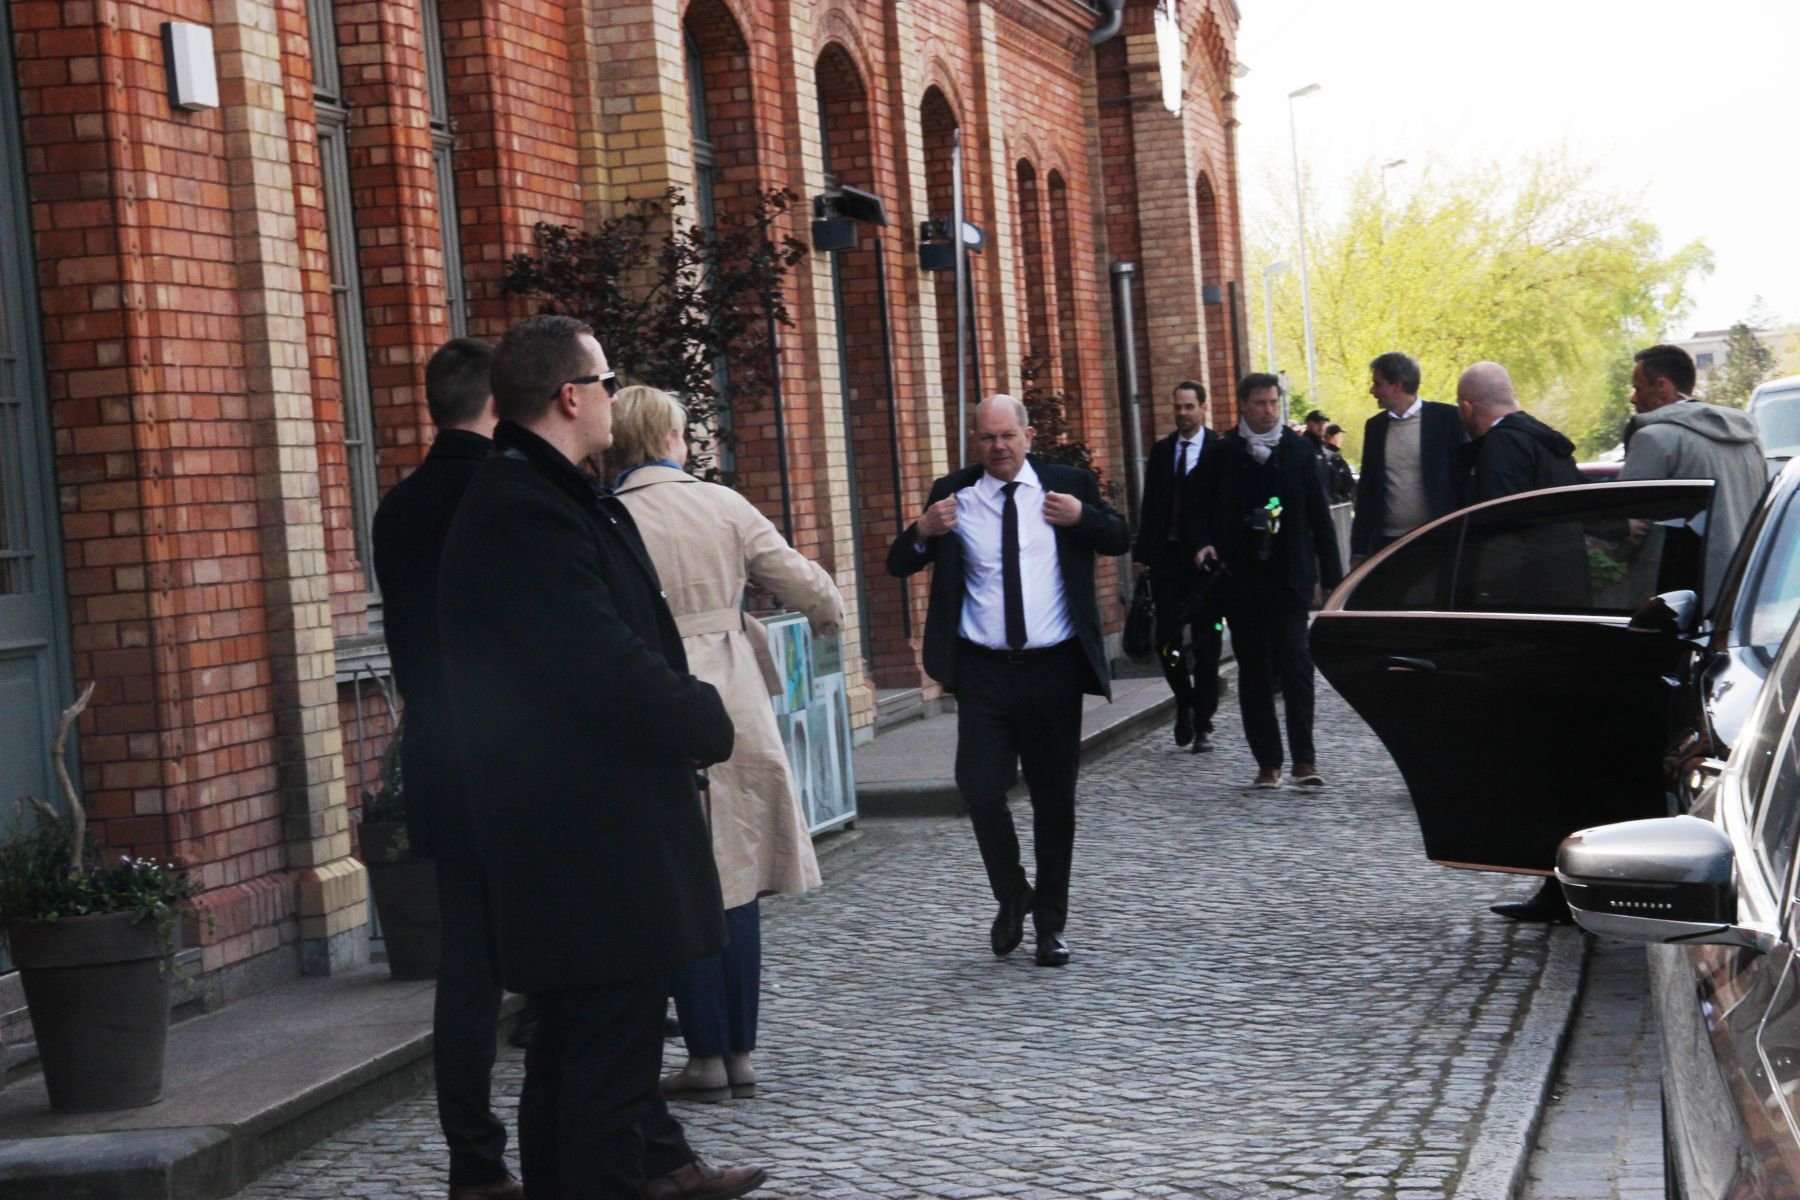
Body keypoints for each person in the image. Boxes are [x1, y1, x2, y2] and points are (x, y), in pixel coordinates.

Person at [437, 315, 765, 1200]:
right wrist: (701, 715)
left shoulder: (553, 491)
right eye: (606, 379)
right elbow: (597, 661)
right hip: (587, 844)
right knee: (602, 1085)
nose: (616, 395)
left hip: (593, 833)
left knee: (579, 1066)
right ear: (570, 395)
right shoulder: (524, 507)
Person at [608, 386, 843, 1105]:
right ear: (675, 437)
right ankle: (740, 1051)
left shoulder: (610, 518)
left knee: (683, 883)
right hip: (735, 702)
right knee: (738, 882)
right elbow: (810, 588)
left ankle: (705, 1055)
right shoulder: (725, 505)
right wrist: (826, 618)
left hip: (659, 700)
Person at [887, 394, 1129, 968]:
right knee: (979, 787)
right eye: (987, 437)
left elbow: (1118, 538)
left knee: (1054, 801)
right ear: (976, 441)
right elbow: (900, 563)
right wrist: (922, 527)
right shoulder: (956, 494)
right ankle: (1012, 892)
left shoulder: (1064, 486)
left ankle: (1050, 925)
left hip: (1053, 667)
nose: (998, 447)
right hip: (985, 670)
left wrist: (1082, 517)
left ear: (1027, 435)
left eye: (1007, 436)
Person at [370, 338, 522, 1200]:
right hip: (516, 757)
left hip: (438, 754)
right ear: (495, 402)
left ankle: (476, 1158)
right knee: (571, 951)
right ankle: (608, 1138)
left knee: (468, 965)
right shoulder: (500, 493)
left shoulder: (399, 507)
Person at [1451, 361, 1587, 926]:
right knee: (1564, 758)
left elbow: (1501, 534)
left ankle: (1556, 889)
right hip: (1570, 614)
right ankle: (1567, 884)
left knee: (1536, 761)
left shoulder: (1502, 451)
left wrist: (1481, 612)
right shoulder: (1549, 444)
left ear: (1467, 409)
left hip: (1527, 623)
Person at [1187, 373, 1342, 790]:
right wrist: (1203, 543)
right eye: (1259, 403)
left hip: (1289, 578)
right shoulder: (1223, 454)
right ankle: (1268, 762)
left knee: (1296, 664)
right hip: (1240, 580)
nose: (1268, 410)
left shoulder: (1298, 451)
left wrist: (1334, 579)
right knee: (1253, 670)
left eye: (1274, 402)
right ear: (1242, 405)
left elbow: (1319, 517)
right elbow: (1194, 506)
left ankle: (1304, 760)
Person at [1621, 344, 1767, 608]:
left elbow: (1625, 523)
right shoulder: (1749, 440)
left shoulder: (1653, 439)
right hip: (1749, 587)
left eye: (1638, 388)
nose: (1633, 398)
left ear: (1662, 387)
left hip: (1678, 598)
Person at [1131, 381, 1223, 753]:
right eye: (1178, 407)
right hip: (1168, 561)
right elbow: (1151, 505)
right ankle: (1185, 699)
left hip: (1207, 566)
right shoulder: (1163, 451)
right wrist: (1142, 555)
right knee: (1167, 642)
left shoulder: (1220, 450)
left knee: (1207, 643)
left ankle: (1202, 721)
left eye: (1189, 407)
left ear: (1202, 407)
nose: (1183, 413)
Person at [1350, 351, 1468, 565]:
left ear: (1397, 385)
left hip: (1438, 540)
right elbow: (1367, 490)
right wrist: (1358, 550)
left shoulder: (1447, 419)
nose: (1372, 390)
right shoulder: (1375, 428)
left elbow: (1462, 480)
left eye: (1378, 384)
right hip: (1387, 544)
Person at [1321, 424, 1356, 503]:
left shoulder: (1334, 454)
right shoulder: (1329, 455)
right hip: (1336, 499)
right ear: (1334, 437)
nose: (1341, 439)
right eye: (1339, 436)